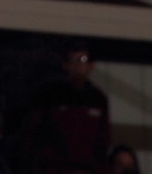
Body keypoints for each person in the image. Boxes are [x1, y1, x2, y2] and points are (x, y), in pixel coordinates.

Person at [18, 44, 110, 174]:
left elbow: (102, 143)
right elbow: (32, 136)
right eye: (73, 60)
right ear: (65, 64)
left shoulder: (97, 99)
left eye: (82, 60)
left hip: (85, 169)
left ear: (91, 65)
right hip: (53, 168)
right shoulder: (50, 95)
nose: (77, 65)